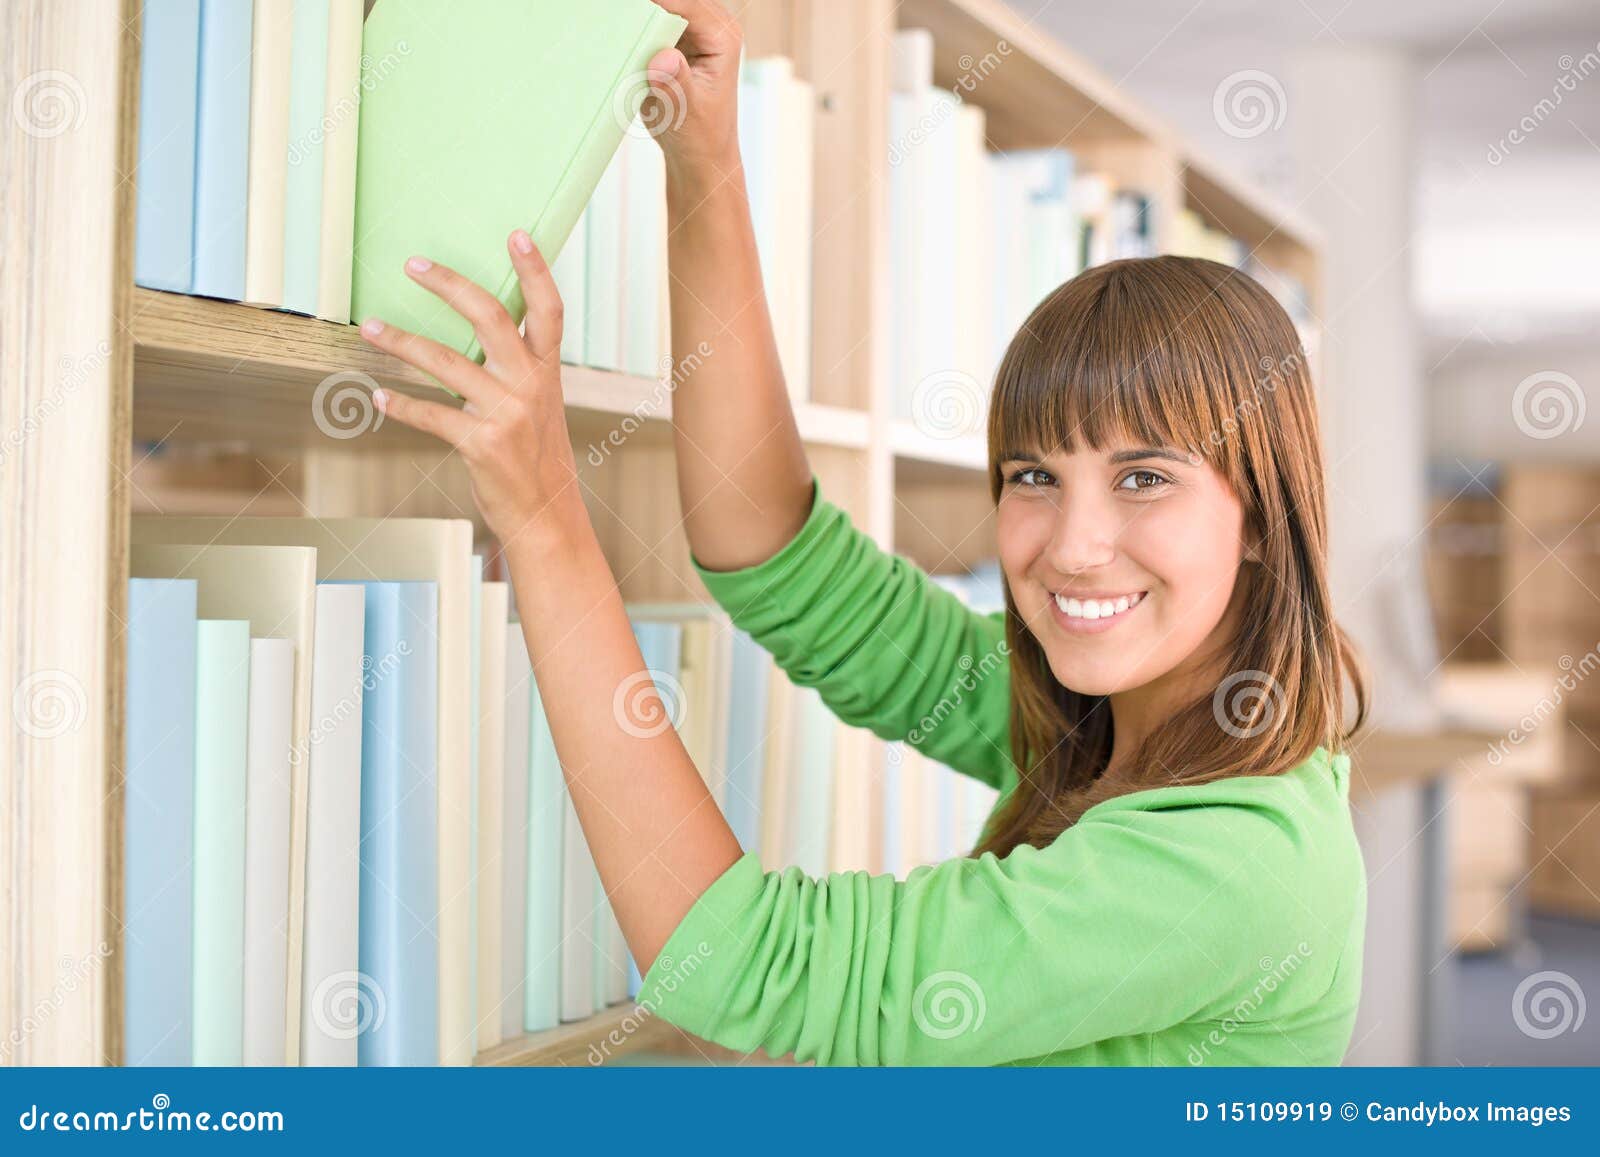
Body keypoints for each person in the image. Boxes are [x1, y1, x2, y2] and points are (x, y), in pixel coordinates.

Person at [358, 0, 1369, 1066]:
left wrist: (543, 512)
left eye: (1145, 478)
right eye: (1034, 473)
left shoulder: (1234, 856)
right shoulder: (1110, 712)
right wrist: (703, 162)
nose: (1073, 545)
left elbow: (751, 971)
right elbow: (783, 563)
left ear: (1261, 515)